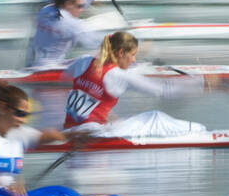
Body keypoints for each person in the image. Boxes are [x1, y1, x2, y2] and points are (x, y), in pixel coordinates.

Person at [61, 31, 213, 136]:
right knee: (155, 117)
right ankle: (203, 132)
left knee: (122, 121)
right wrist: (201, 82)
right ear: (121, 53)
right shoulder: (118, 75)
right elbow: (163, 90)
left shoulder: (83, 61)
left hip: (70, 130)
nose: (134, 60)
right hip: (94, 135)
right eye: (133, 55)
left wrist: (102, 113)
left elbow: (70, 82)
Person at [24, 0, 105, 68]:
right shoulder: (72, 24)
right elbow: (97, 42)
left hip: (34, 63)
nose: (82, 10)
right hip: (52, 67)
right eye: (80, 7)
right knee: (96, 56)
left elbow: (79, 2)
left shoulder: (45, 10)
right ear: (68, 4)